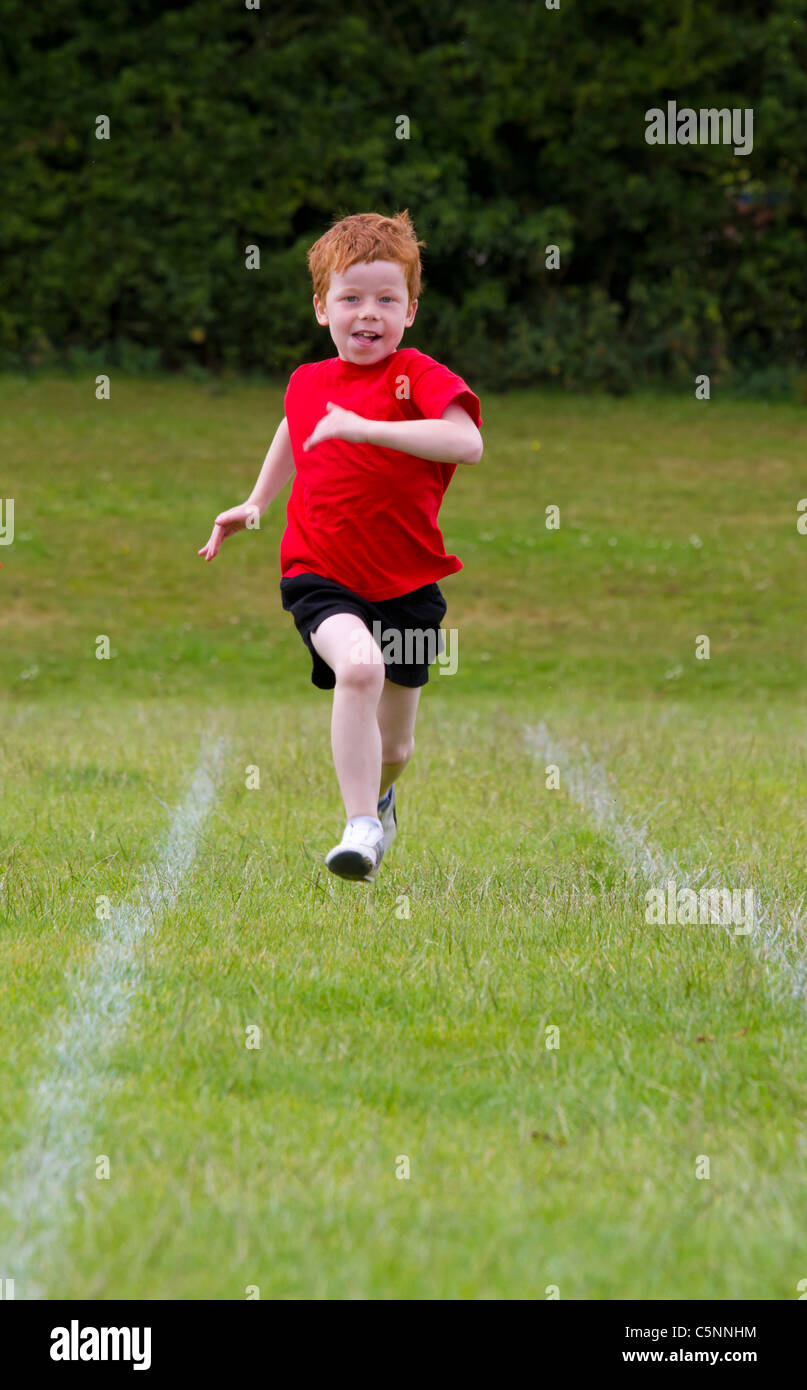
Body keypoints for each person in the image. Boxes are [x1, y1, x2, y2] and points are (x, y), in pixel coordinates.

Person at [199, 210, 483, 882]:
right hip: (319, 571)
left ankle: (381, 799)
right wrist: (255, 501)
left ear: (410, 311)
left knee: (399, 743)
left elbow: (465, 443)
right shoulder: (307, 381)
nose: (368, 313)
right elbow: (293, 425)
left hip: (409, 586)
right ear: (321, 305)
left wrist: (366, 428)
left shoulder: (416, 377)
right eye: (351, 298)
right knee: (357, 668)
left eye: (386, 299)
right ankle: (358, 827)